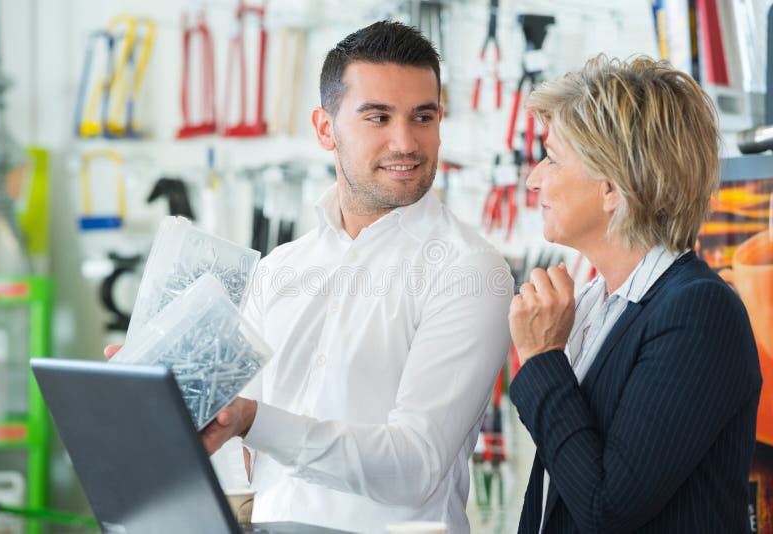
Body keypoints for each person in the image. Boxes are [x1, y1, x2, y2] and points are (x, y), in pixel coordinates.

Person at [108, 21, 511, 533]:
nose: (406, 141)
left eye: (423, 117)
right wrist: (171, 390)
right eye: (378, 117)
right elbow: (238, 452)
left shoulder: (470, 271)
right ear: (326, 129)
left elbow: (415, 468)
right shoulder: (281, 269)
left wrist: (252, 421)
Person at [507, 54, 762, 533]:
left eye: (553, 159)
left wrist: (542, 357)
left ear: (611, 189)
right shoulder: (595, 305)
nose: (533, 177)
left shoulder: (698, 313)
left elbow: (607, 509)